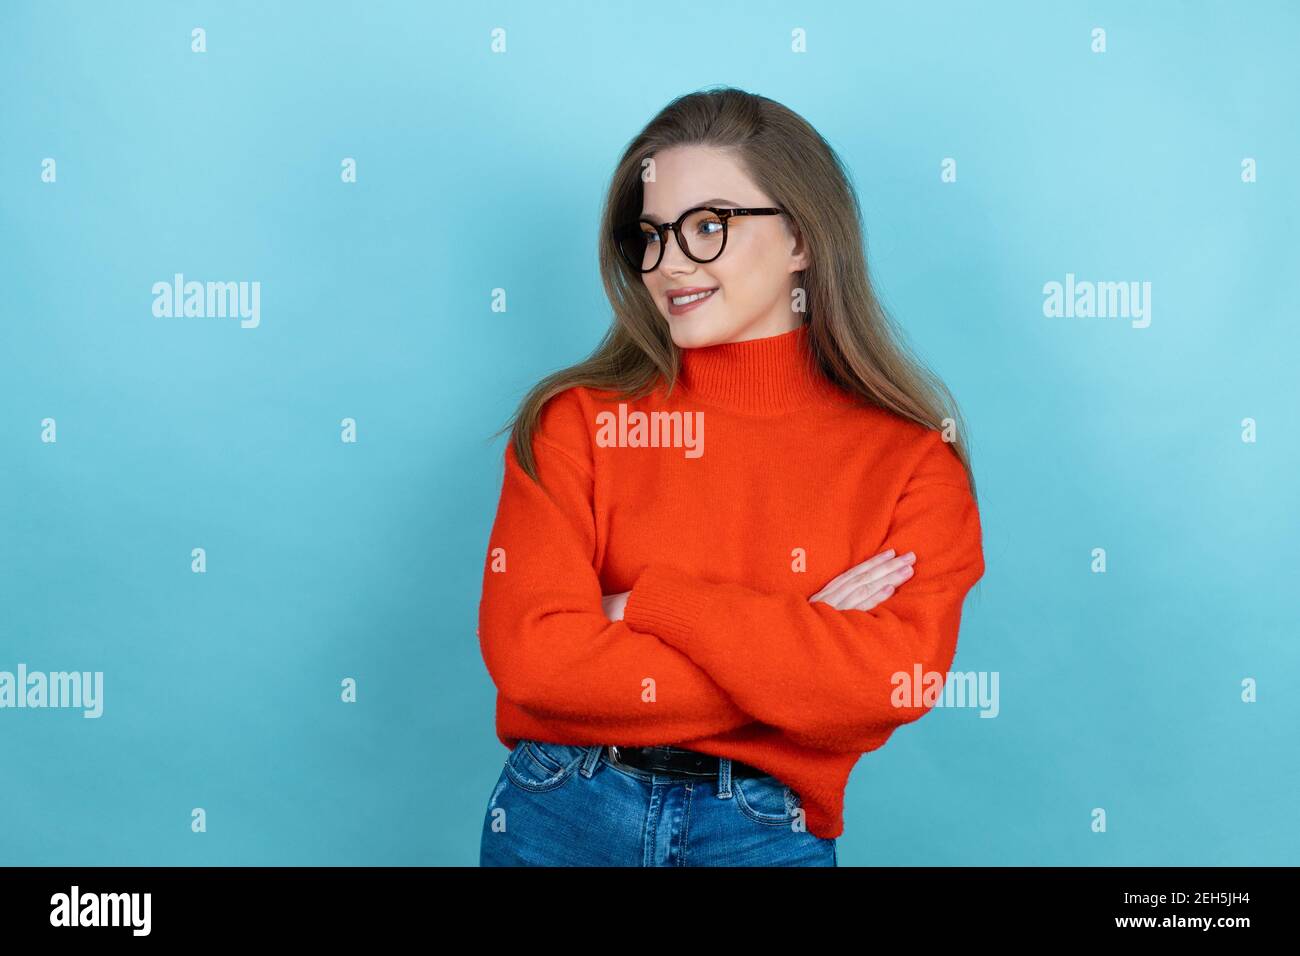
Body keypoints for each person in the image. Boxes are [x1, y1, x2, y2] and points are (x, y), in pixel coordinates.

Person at [476, 86, 985, 866]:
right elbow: (534, 662)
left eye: (708, 226)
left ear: (802, 240)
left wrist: (649, 603)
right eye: (650, 235)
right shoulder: (573, 420)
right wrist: (798, 646)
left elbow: (890, 686)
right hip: (562, 809)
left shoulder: (912, 461)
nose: (669, 262)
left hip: (761, 831)